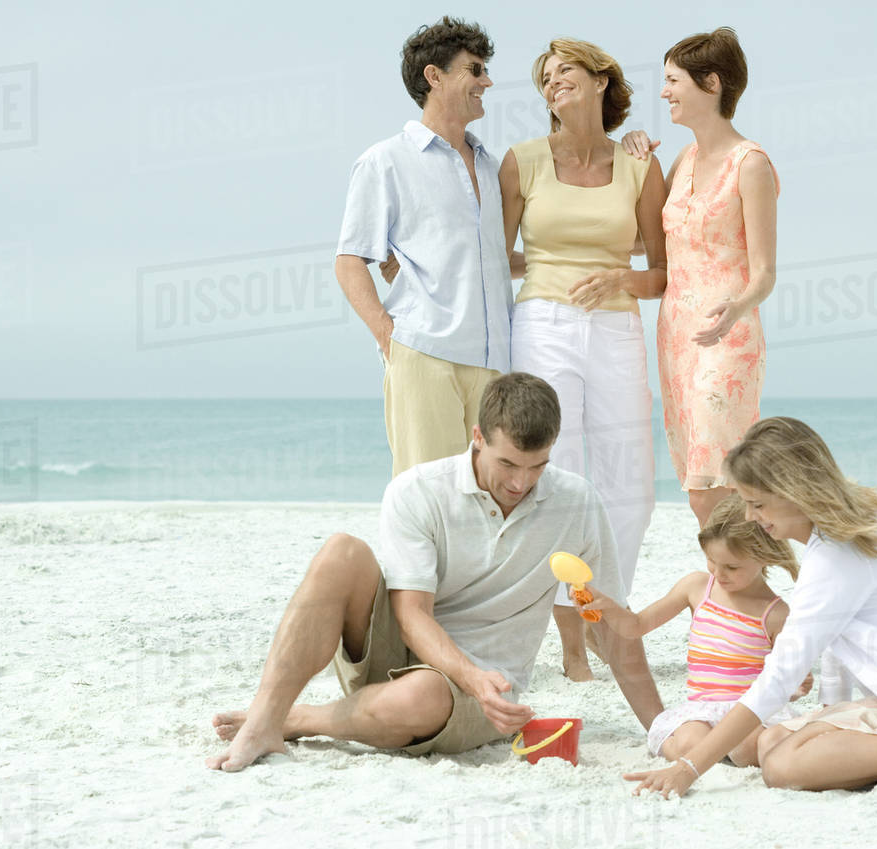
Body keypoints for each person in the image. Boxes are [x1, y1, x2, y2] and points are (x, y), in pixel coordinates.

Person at [206, 373, 663, 772]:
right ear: (478, 436)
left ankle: (300, 718)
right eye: (507, 463)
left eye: (537, 466)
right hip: (400, 649)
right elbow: (412, 615)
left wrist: (664, 729)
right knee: (340, 552)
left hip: (481, 687)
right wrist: (468, 674)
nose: (520, 483)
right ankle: (264, 722)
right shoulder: (419, 490)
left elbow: (614, 627)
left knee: (419, 696)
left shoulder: (576, 503)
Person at [624, 417, 877, 799]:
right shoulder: (850, 530)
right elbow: (837, 637)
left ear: (792, 492)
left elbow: (777, 679)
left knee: (781, 766)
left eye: (758, 504)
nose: (750, 517)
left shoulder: (834, 558)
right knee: (771, 739)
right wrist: (830, 715)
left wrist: (688, 768)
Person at [500, 38, 668, 681]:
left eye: (565, 69)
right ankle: (573, 642)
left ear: (601, 80)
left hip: (617, 328)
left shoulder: (639, 165)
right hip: (542, 324)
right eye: (545, 77)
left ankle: (602, 616)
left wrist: (621, 279)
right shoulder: (522, 161)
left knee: (633, 489)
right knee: (557, 478)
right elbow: (497, 256)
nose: (553, 82)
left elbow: (661, 271)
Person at [335, 16, 512, 478]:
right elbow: (350, 261)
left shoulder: (492, 167)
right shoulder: (385, 161)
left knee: (487, 498)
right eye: (475, 70)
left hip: (494, 364)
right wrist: (388, 336)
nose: (487, 81)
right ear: (434, 76)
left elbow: (489, 260)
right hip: (425, 353)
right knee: (426, 496)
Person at [624, 28, 780, 528]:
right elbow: (647, 242)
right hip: (676, 337)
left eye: (673, 81)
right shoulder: (683, 159)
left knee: (711, 486)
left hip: (726, 337)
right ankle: (738, 575)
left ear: (711, 83)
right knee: (705, 487)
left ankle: (747, 574)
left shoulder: (750, 164)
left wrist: (736, 309)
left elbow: (765, 273)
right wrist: (633, 166)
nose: (664, 92)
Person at [583, 496, 810, 766]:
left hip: (749, 711)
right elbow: (636, 626)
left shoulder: (775, 614)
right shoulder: (697, 588)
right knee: (687, 743)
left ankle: (723, 753)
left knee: (748, 747)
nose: (719, 573)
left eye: (732, 567)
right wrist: (607, 606)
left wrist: (794, 687)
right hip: (702, 710)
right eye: (711, 560)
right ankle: (708, 751)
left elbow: (792, 677)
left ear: (764, 556)